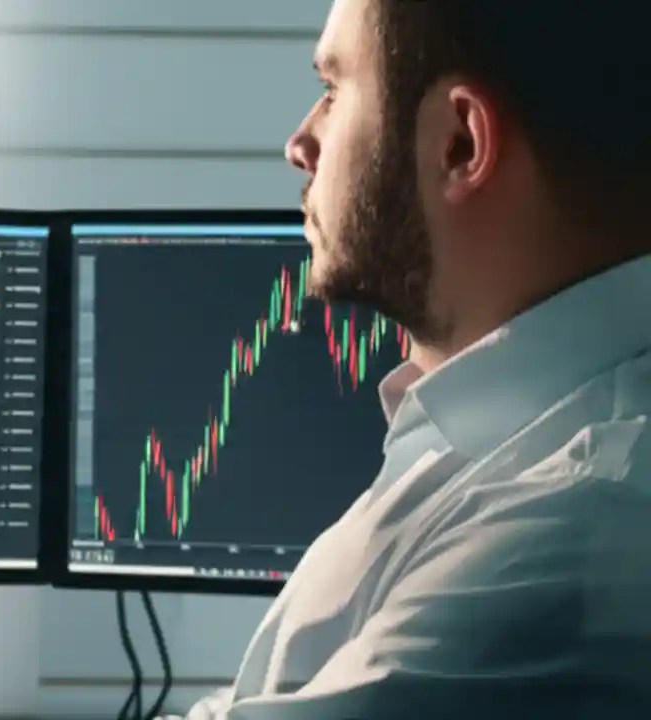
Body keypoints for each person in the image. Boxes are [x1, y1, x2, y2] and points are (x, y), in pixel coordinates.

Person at [163, 0, 651, 718]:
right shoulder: (478, 435)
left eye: (334, 91)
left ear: (459, 144)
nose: (300, 141)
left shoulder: (581, 527)